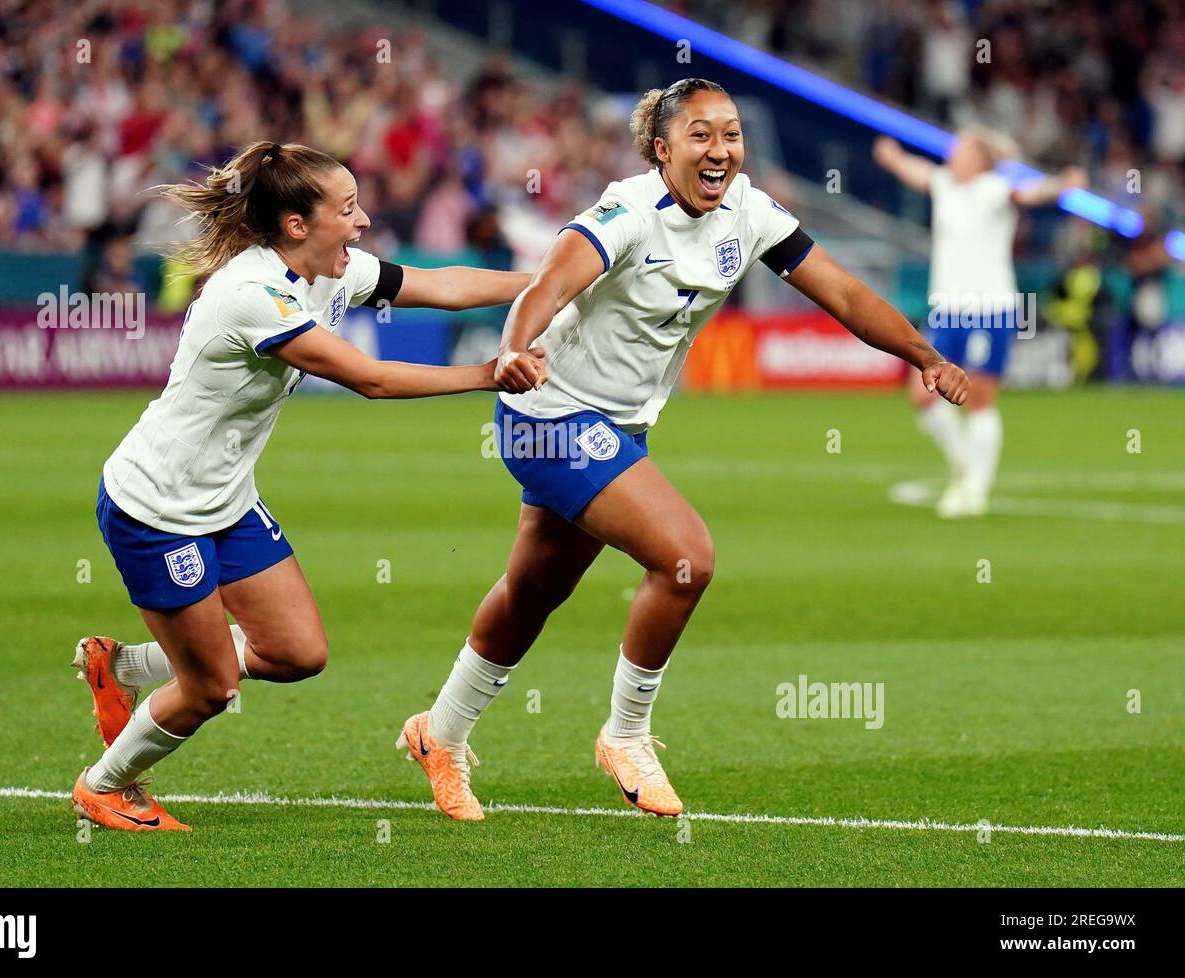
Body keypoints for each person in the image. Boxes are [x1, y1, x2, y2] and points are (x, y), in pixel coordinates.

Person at [396, 79, 968, 821]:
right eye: (701, 135)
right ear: (662, 150)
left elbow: (847, 296)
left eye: (730, 133)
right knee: (684, 557)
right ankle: (626, 736)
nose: (721, 149)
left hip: (619, 424)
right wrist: (514, 346)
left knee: (533, 592)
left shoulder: (750, 212)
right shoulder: (627, 211)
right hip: (550, 412)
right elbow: (547, 282)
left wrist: (923, 355)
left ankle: (439, 736)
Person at [71, 141, 532, 831]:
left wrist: (550, 278)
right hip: (157, 509)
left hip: (224, 500)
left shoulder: (329, 270)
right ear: (296, 225)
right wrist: (486, 373)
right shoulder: (253, 294)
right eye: (347, 210)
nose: (363, 221)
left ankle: (125, 665)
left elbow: (442, 286)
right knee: (209, 688)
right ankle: (104, 786)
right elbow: (370, 379)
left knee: (295, 653)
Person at [874, 129, 1086, 517]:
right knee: (922, 395)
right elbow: (918, 171)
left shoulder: (992, 188)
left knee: (979, 399)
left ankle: (974, 490)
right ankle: (963, 463)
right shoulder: (944, 185)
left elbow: (1028, 194)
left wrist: (1062, 186)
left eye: (961, 151)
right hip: (946, 309)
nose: (952, 156)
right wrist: (892, 157)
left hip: (990, 309)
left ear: (981, 160)